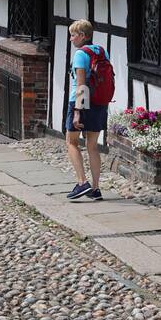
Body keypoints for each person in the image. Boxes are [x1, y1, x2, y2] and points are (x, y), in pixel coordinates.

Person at [65, 20, 107, 202]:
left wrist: (77, 111)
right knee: (92, 145)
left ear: (82, 36)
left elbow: (81, 85)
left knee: (71, 142)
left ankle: (82, 183)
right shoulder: (102, 51)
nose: (70, 39)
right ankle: (96, 189)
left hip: (82, 101)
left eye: (73, 35)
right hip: (99, 101)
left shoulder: (80, 55)